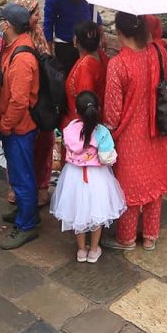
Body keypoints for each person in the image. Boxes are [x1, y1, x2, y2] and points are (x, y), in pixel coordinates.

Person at [103, 11, 167, 250]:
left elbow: (112, 114)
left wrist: (106, 134)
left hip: (130, 136)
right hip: (158, 129)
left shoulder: (117, 64)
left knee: (128, 187)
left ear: (120, 32)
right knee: (154, 183)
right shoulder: (159, 53)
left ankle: (127, 238)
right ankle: (151, 236)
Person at [52, 90, 125, 262]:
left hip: (73, 176)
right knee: (97, 212)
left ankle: (81, 250)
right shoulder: (102, 132)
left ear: (77, 111)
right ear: (98, 109)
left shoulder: (69, 129)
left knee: (78, 211)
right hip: (97, 177)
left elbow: (66, 148)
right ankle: (93, 250)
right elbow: (108, 158)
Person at [0, 2, 42, 249]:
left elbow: (19, 100)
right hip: (16, 126)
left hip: (19, 128)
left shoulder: (21, 58)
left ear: (8, 25)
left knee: (22, 177)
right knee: (19, 173)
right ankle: (25, 212)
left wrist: (4, 124)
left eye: (1, 20)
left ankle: (27, 224)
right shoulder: (14, 46)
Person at [43, 0, 95, 72]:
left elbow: (92, 11)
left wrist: (100, 34)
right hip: (65, 47)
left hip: (86, 43)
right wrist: (49, 49)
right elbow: (48, 23)